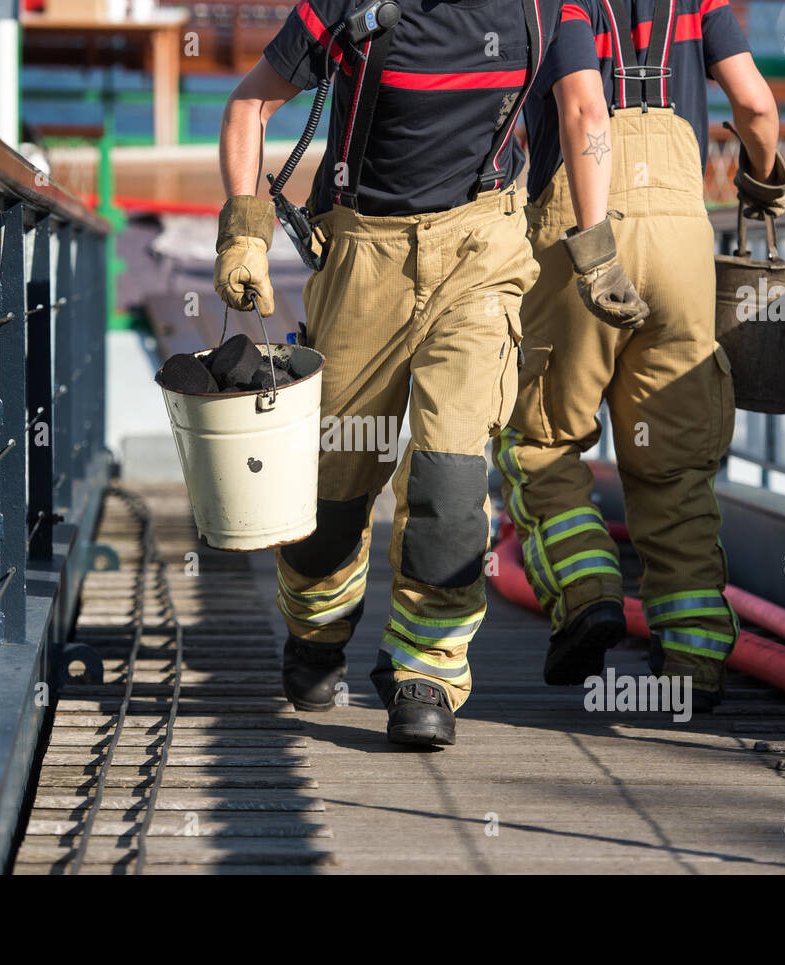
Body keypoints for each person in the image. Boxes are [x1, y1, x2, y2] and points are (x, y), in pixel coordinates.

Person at [215, 0, 582, 745]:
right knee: (332, 496)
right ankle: (317, 630)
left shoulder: (545, 8)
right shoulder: (348, 7)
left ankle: (426, 669)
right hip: (361, 256)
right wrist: (244, 235)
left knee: (451, 474)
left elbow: (587, 111)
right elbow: (251, 103)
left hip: (481, 250)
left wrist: (597, 241)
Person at [494, 0, 785, 709]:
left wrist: (593, 245)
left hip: (584, 225)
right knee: (675, 460)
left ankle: (588, 587)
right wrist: (762, 178)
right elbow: (754, 104)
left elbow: (585, 111)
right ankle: (691, 658)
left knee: (541, 436)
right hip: (683, 235)